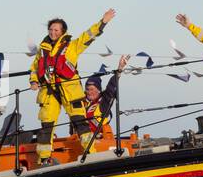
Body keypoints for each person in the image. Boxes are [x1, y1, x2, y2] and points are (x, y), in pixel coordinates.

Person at [30, 9, 116, 166]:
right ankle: (43, 159)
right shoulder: (42, 50)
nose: (52, 32)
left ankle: (91, 153)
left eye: (56, 30)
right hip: (49, 92)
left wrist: (103, 22)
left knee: (80, 122)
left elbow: (88, 36)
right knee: (46, 126)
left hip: (70, 91)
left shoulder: (72, 46)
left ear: (62, 32)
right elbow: (35, 67)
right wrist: (34, 81)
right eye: (50, 29)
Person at [79, 54, 130, 154]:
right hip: (78, 141)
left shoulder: (103, 103)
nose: (89, 92)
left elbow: (111, 89)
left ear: (98, 90)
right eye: (87, 89)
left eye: (92, 89)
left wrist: (119, 69)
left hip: (96, 143)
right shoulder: (82, 103)